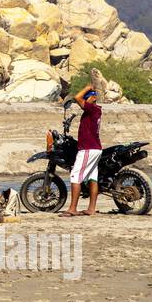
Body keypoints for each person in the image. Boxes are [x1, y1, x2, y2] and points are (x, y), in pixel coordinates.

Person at [62, 86, 102, 217]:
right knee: (92, 178)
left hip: (88, 149)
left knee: (75, 176)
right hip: (95, 148)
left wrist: (87, 87)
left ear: (94, 97)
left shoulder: (91, 109)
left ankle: (72, 208)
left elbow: (77, 97)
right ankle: (91, 209)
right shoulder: (95, 110)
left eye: (88, 97)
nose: (85, 100)